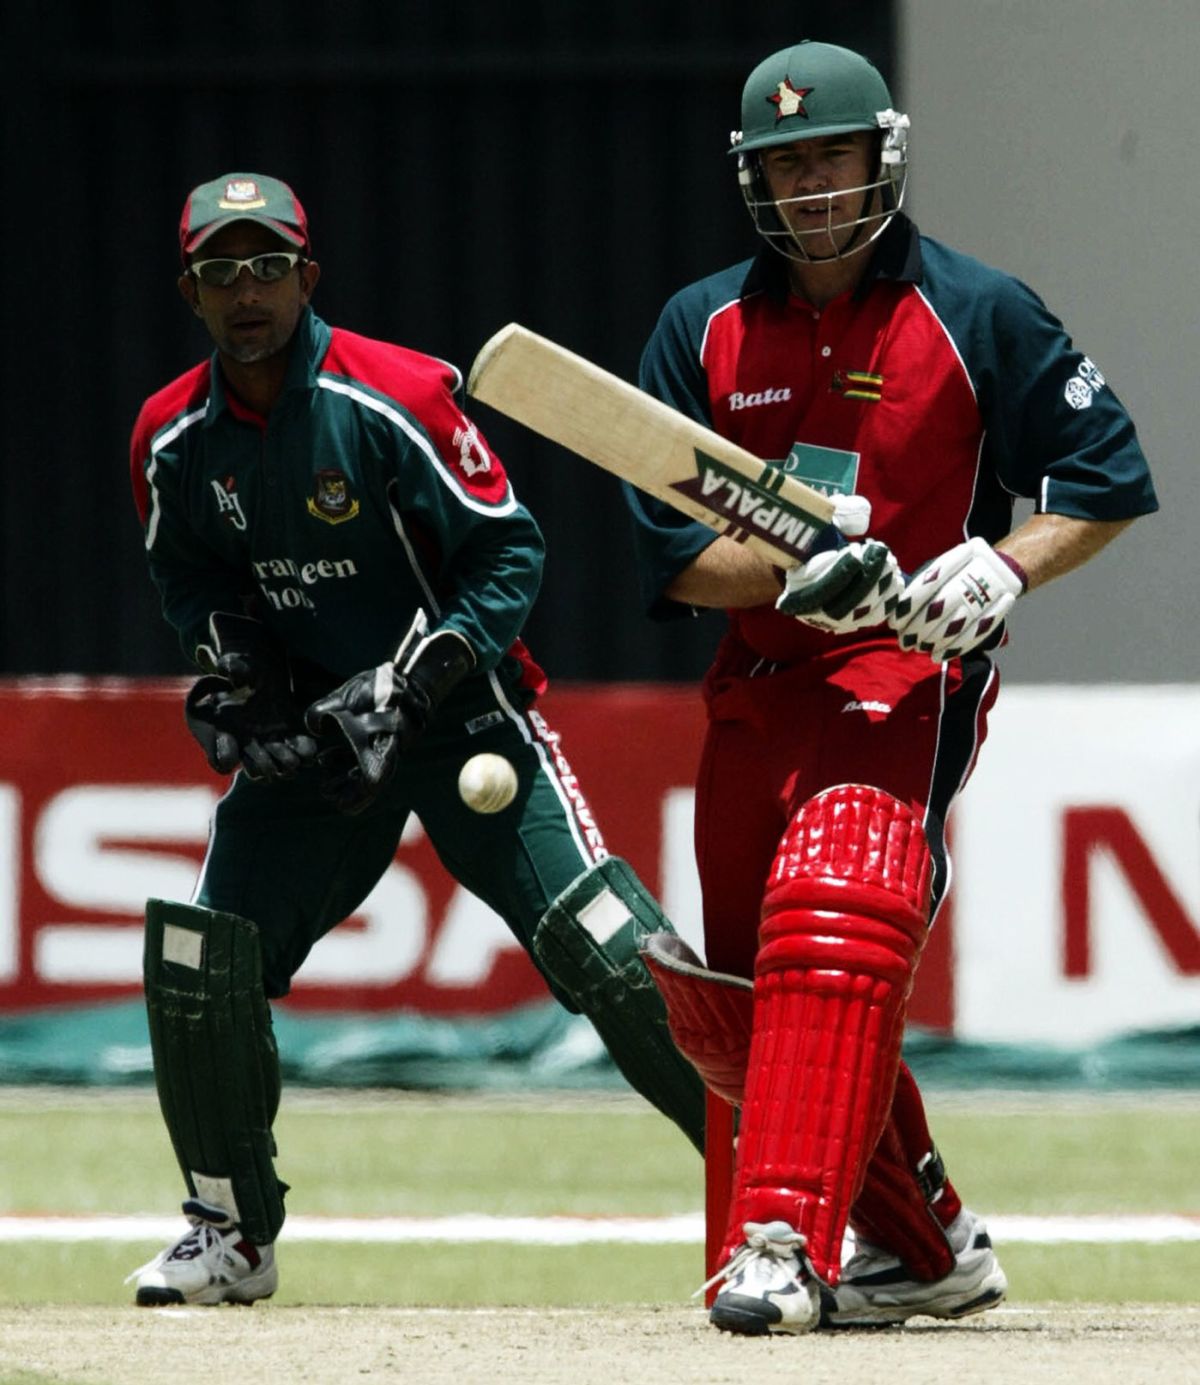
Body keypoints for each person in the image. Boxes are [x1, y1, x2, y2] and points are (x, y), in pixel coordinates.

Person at [627, 41, 1157, 1336]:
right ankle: (930, 1253)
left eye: (833, 156)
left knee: (841, 903)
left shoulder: (981, 313)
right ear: (753, 180)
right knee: (766, 999)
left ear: (884, 157)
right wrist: (790, 577)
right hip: (759, 681)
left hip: (909, 675)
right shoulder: (699, 328)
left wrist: (999, 569)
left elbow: (1105, 479)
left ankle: (780, 1242)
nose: (812, 187)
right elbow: (676, 557)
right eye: (786, 163)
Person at [126, 171, 705, 1306]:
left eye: (268, 266)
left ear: (309, 275)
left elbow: (509, 552)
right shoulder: (169, 437)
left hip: (461, 717)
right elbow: (191, 578)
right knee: (200, 954)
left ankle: (769, 1198)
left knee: (601, 938)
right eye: (221, 272)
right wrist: (243, 670)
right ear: (190, 292)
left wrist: (418, 678)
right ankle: (229, 1230)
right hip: (315, 736)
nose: (248, 291)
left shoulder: (392, 395)